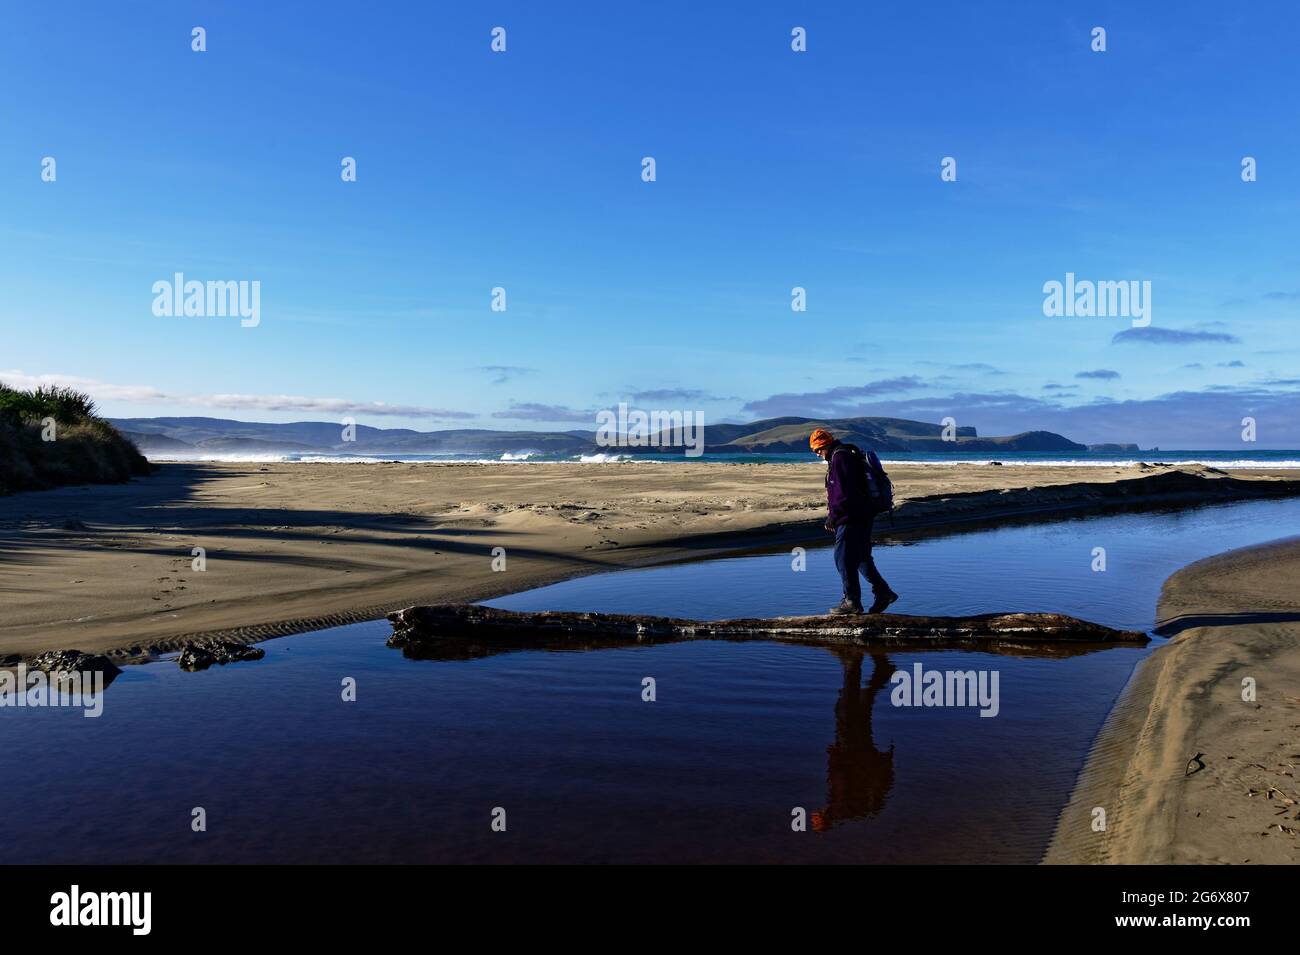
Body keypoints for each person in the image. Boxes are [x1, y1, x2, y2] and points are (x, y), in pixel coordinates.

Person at [810, 428, 899, 615]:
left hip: (851, 517)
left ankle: (852, 601)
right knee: (861, 558)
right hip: (864, 514)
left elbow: (842, 494)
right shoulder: (845, 455)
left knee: (842, 558)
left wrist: (833, 517)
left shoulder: (840, 458)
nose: (817, 454)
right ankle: (883, 592)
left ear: (825, 445)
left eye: (817, 449)